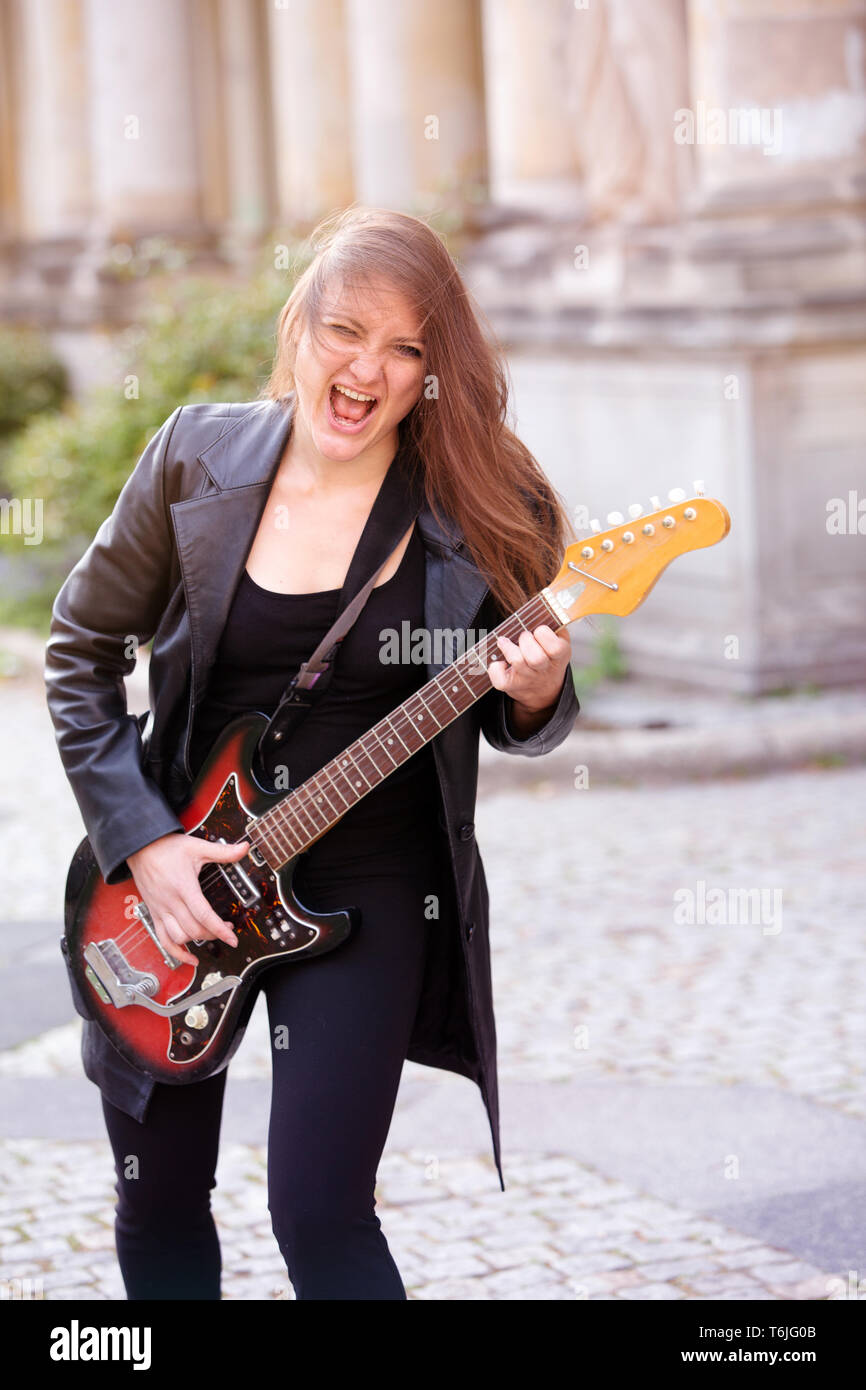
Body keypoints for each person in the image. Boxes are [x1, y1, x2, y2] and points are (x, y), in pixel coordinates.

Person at [44, 206, 579, 1301]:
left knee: (322, 1214)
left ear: (436, 370)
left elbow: (528, 713)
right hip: (175, 885)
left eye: (406, 348)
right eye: (346, 330)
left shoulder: (473, 508)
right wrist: (142, 843)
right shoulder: (194, 459)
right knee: (159, 1197)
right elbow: (80, 649)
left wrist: (534, 694)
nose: (366, 369)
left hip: (368, 892)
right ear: (299, 326)